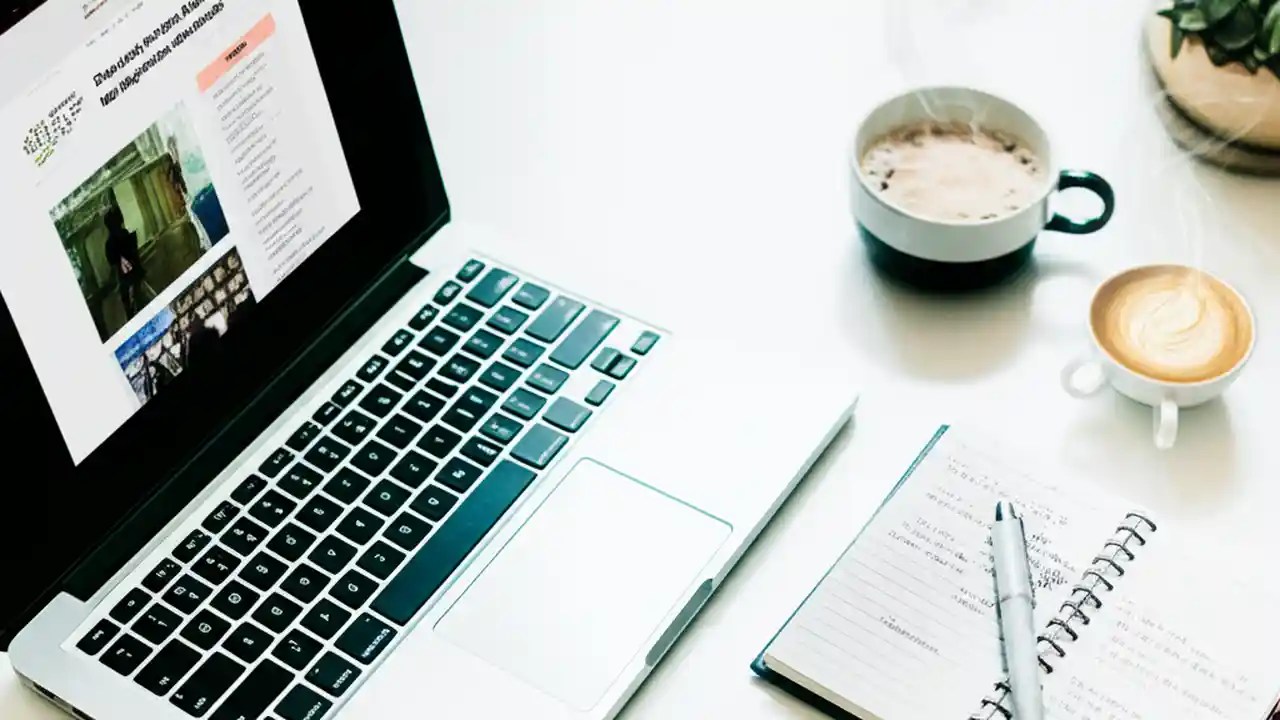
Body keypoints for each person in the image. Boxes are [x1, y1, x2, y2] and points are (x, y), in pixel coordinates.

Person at [102, 201, 148, 318]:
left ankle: (132, 314)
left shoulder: (109, 243)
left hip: (124, 275)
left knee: (126, 298)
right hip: (132, 271)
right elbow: (133, 252)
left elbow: (112, 261)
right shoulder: (125, 234)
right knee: (136, 293)